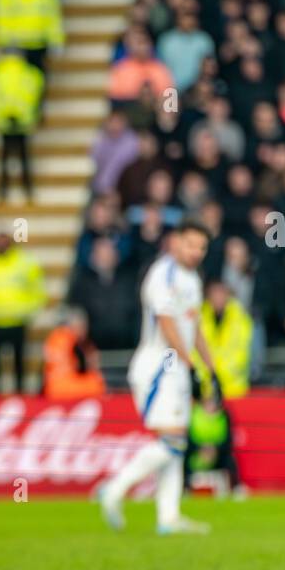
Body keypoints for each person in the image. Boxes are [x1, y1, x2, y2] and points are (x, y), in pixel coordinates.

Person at [97, 222, 218, 535]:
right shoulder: (161, 274)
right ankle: (115, 489)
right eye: (191, 244)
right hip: (159, 364)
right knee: (173, 440)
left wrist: (210, 367)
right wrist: (190, 365)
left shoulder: (192, 278)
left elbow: (195, 325)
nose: (196, 252)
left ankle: (169, 517)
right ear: (176, 242)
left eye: (201, 247)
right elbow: (166, 322)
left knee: (175, 441)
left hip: (178, 365)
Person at [0, 233, 46, 394]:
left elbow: (37, 288)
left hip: (18, 320)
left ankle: (20, 393)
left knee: (19, 362)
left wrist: (29, 310)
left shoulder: (23, 262)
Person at [0, 51, 43, 204]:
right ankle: (28, 190)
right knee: (24, 157)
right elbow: (38, 85)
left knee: (4, 156)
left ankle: (2, 191)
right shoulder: (28, 73)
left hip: (3, 121)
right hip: (23, 121)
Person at [42, 309, 105, 398]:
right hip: (63, 386)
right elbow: (82, 365)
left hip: (52, 385)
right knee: (95, 383)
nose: (85, 330)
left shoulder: (56, 336)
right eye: (83, 326)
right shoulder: (70, 340)